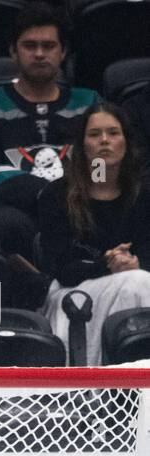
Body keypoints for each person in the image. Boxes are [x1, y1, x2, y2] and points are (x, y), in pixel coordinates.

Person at [0, 4, 99, 265]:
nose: (39, 54)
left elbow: (108, 162)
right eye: (30, 46)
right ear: (13, 52)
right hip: (15, 215)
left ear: (63, 52)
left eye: (48, 46)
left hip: (80, 209)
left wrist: (82, 192)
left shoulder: (91, 104)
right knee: (4, 223)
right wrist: (42, 192)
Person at [37, 103, 150, 365]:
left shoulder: (144, 195)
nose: (104, 141)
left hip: (136, 280)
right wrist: (107, 265)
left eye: (113, 133)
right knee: (136, 282)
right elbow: (62, 267)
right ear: (82, 145)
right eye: (94, 134)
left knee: (137, 280)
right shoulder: (57, 195)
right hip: (74, 292)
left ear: (126, 142)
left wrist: (136, 263)